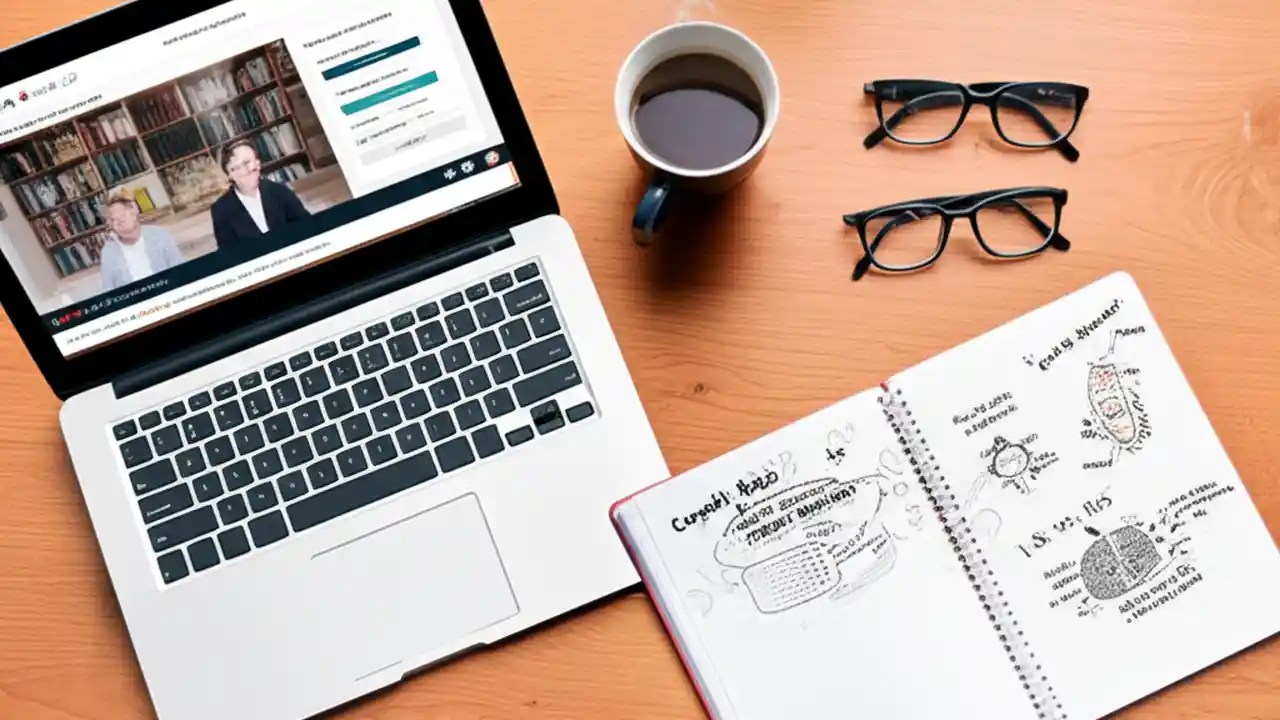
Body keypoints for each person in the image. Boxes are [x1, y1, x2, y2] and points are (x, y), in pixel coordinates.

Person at [210, 139, 311, 252]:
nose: (245, 171)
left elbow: (307, 227)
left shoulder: (280, 191)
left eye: (247, 162)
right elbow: (228, 253)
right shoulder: (220, 210)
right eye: (236, 168)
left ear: (258, 163)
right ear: (229, 175)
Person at [99, 189, 185, 292]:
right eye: (113, 220)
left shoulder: (159, 235)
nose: (119, 222)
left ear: (134, 210)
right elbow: (108, 290)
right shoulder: (109, 251)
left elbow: (180, 270)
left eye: (122, 215)